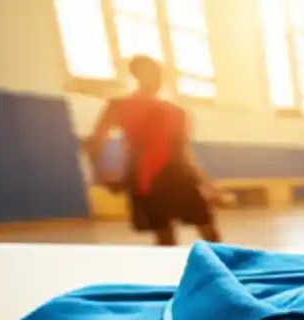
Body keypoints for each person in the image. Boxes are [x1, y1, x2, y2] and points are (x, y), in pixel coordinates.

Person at [84, 55, 222, 247]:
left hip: (178, 175)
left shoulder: (175, 112)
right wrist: (101, 173)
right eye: (150, 73)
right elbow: (96, 140)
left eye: (158, 73)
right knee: (164, 234)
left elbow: (183, 151)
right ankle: (169, 272)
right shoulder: (120, 105)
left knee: (207, 227)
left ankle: (224, 270)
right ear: (136, 74)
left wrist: (205, 182)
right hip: (147, 178)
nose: (156, 78)